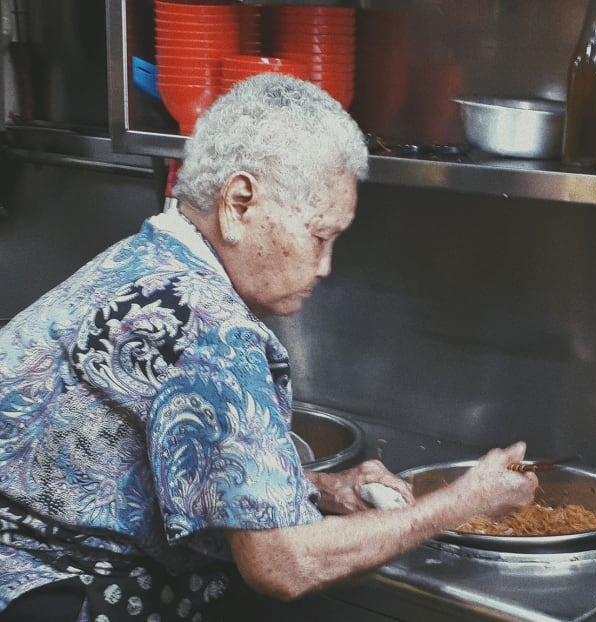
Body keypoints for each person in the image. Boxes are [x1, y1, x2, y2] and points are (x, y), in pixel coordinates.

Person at [0, 73, 538, 621]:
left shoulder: (146, 259)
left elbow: (177, 469)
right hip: (56, 597)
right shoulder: (211, 331)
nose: (325, 267)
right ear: (239, 203)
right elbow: (281, 564)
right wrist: (461, 503)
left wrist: (320, 489)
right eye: (319, 237)